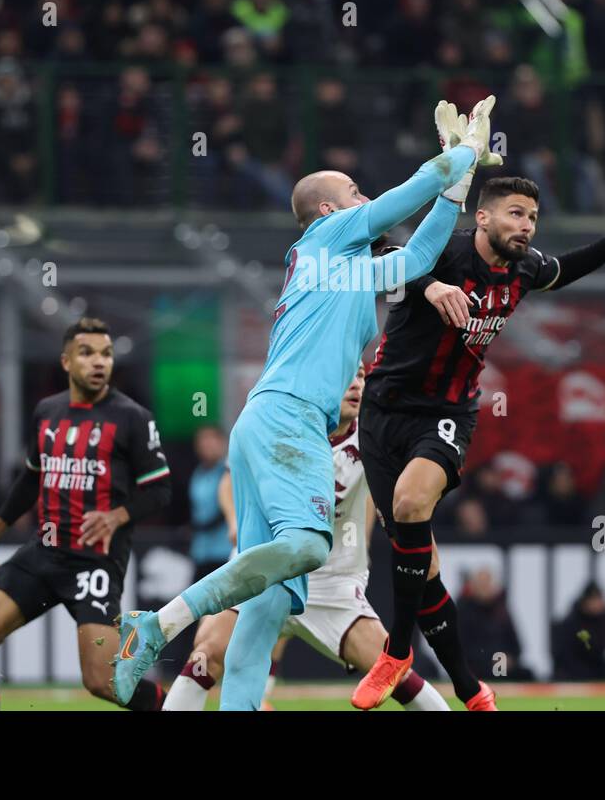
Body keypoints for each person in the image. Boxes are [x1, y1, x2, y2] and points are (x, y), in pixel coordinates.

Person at [112, 98, 503, 711]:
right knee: (310, 547)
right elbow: (408, 193)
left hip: (265, 421)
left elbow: (420, 258)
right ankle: (159, 624)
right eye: (353, 191)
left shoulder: (344, 269)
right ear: (327, 210)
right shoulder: (328, 234)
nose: (362, 197)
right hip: (291, 419)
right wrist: (462, 156)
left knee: (264, 610)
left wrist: (459, 186)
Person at [354, 172, 605, 710]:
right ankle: (471, 690)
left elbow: (563, 271)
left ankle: (397, 650)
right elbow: (379, 249)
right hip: (381, 414)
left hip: (447, 413)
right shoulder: (443, 250)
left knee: (410, 503)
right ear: (483, 217)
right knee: (422, 568)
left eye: (533, 217)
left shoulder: (525, 268)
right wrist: (429, 285)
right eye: (516, 214)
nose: (526, 226)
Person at [162, 367, 448, 711]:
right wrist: (236, 521)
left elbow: (387, 498)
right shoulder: (280, 423)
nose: (356, 385)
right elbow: (229, 477)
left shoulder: (375, 437)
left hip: (331, 583)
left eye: (360, 376)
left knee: (394, 673)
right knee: (205, 655)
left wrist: (381, 540)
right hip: (266, 571)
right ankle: (258, 695)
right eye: (345, 375)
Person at [0, 318, 172, 711]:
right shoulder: (47, 411)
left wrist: (116, 516)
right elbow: (29, 480)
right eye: (87, 353)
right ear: (66, 361)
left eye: (106, 354)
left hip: (94, 562)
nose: (99, 362)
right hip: (43, 553)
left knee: (104, 682)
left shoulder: (133, 417)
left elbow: (160, 491)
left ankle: (178, 708)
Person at [187, 425, 232, 584]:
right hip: (201, 551)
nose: (206, 446)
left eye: (211, 441)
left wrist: (203, 525)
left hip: (224, 551)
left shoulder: (228, 471)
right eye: (202, 442)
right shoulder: (197, 472)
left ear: (223, 443)